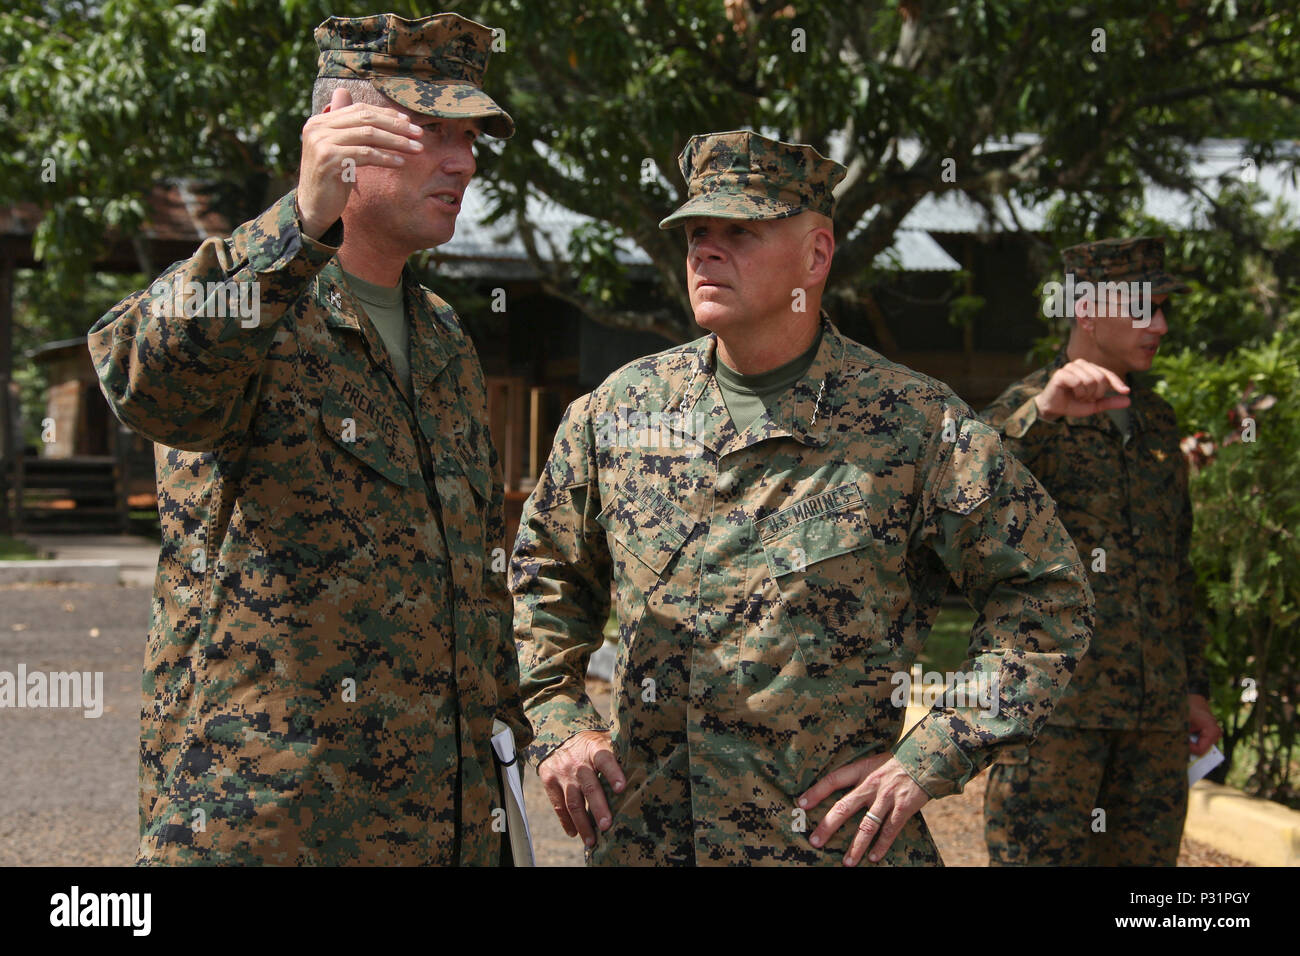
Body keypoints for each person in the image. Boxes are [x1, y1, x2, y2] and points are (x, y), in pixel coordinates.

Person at [509, 130, 1095, 866]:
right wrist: (559, 720)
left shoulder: (913, 426)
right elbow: (544, 577)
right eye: (696, 233)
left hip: (823, 848)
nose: (705, 252)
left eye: (739, 232)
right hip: (650, 844)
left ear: (816, 255)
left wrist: (932, 753)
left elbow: (1049, 597)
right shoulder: (618, 413)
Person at [87, 12, 529, 865]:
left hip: (442, 826)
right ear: (339, 135)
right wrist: (297, 219)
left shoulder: (444, 340)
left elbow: (476, 582)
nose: (464, 160)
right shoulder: (256, 303)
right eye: (431, 129)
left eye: (469, 137)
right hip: (272, 828)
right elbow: (144, 381)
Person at [981, 237, 1223, 866]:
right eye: (1148, 309)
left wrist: (1193, 689)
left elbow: (1177, 569)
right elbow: (961, 500)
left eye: (1165, 309)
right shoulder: (1026, 409)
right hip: (1054, 718)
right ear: (1088, 311)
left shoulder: (1158, 422)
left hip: (1153, 721)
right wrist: (1043, 413)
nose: (1162, 326)